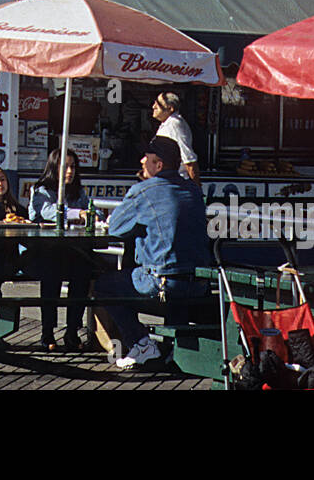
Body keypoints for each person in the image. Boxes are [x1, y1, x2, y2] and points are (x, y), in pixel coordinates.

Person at [94, 137, 209, 369]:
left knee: (103, 286)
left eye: (146, 158)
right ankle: (172, 350)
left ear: (158, 165)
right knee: (174, 273)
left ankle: (141, 343)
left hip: (162, 283)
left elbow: (115, 227)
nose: (141, 161)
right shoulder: (194, 191)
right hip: (198, 282)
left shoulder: (144, 191)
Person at [29, 149, 94, 351]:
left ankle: (72, 331)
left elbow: (89, 208)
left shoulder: (78, 192)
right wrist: (78, 213)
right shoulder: (40, 190)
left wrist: (92, 214)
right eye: (64, 167)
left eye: (73, 167)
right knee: (51, 277)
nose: (69, 171)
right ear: (54, 168)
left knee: (84, 274)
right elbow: (46, 211)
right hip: (45, 250)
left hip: (73, 250)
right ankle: (47, 332)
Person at [152, 92, 199, 181]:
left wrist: (196, 188)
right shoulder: (167, 124)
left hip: (175, 181)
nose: (153, 107)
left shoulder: (175, 124)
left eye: (158, 104)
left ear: (170, 108)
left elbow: (188, 158)